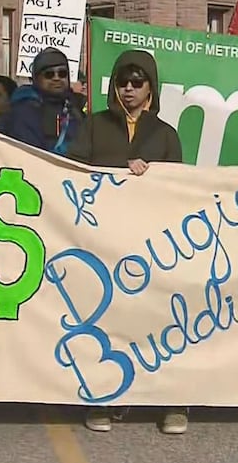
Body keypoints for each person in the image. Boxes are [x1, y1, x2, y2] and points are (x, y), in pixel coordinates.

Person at [66, 50, 187, 434]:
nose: (129, 89)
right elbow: (75, 172)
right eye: (122, 82)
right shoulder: (94, 125)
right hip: (105, 241)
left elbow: (180, 188)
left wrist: (152, 177)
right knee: (108, 322)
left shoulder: (166, 134)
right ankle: (104, 398)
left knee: (159, 320)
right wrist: (118, 172)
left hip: (154, 245)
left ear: (152, 87)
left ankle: (171, 402)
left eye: (138, 82)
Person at [0, 48, 85, 154]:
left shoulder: (76, 111)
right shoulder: (21, 110)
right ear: (36, 78)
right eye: (49, 74)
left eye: (62, 73)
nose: (56, 78)